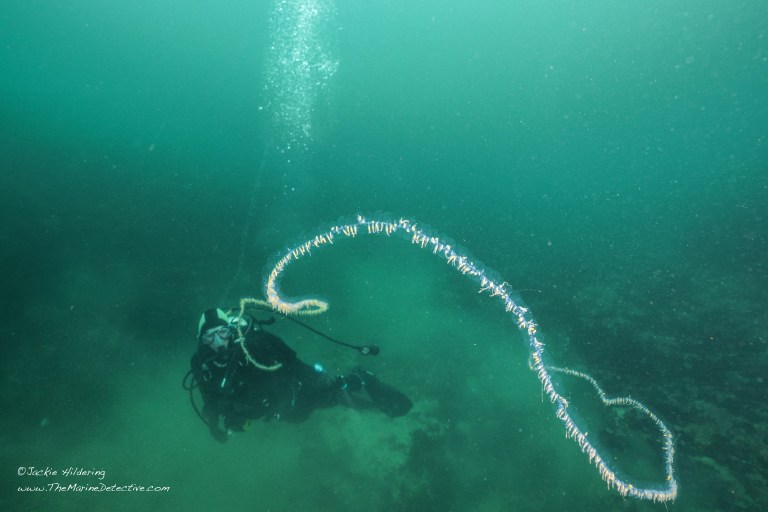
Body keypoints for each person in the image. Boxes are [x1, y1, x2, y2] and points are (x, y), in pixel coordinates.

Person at [190, 308, 413, 443]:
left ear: (230, 331)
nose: (218, 343)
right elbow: (208, 397)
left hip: (292, 388)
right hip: (273, 407)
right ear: (201, 340)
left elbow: (294, 364)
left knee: (330, 394)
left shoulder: (256, 344)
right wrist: (213, 424)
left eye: (221, 333)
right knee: (299, 417)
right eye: (209, 337)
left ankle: (359, 379)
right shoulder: (200, 362)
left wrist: (324, 383)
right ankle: (367, 401)